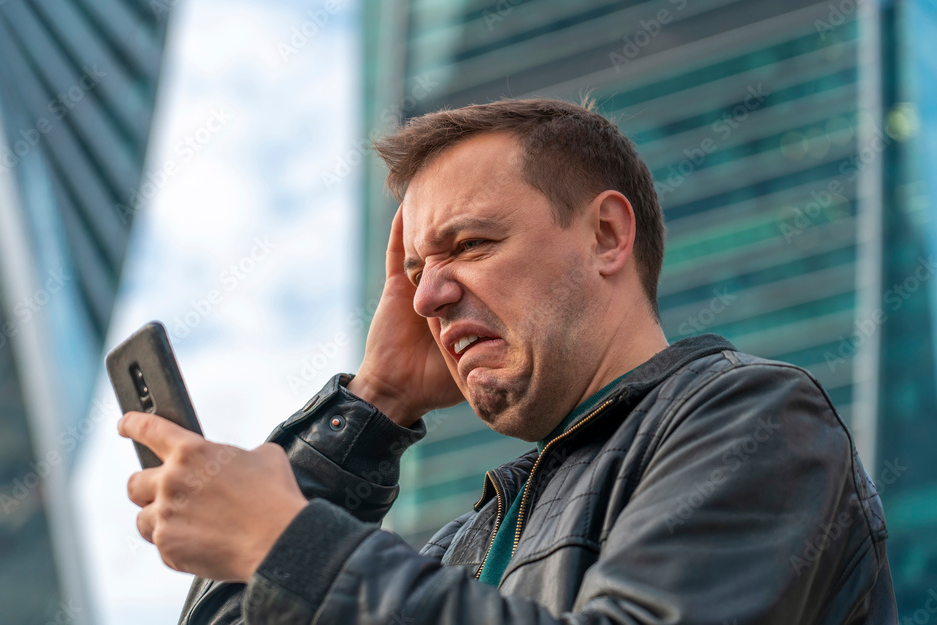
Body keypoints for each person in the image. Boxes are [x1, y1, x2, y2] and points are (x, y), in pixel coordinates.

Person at [119, 98, 897, 624]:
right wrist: (378, 401)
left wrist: (291, 539)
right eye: (417, 271)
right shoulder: (462, 545)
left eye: (469, 245)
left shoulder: (757, 418)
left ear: (606, 236)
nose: (427, 298)